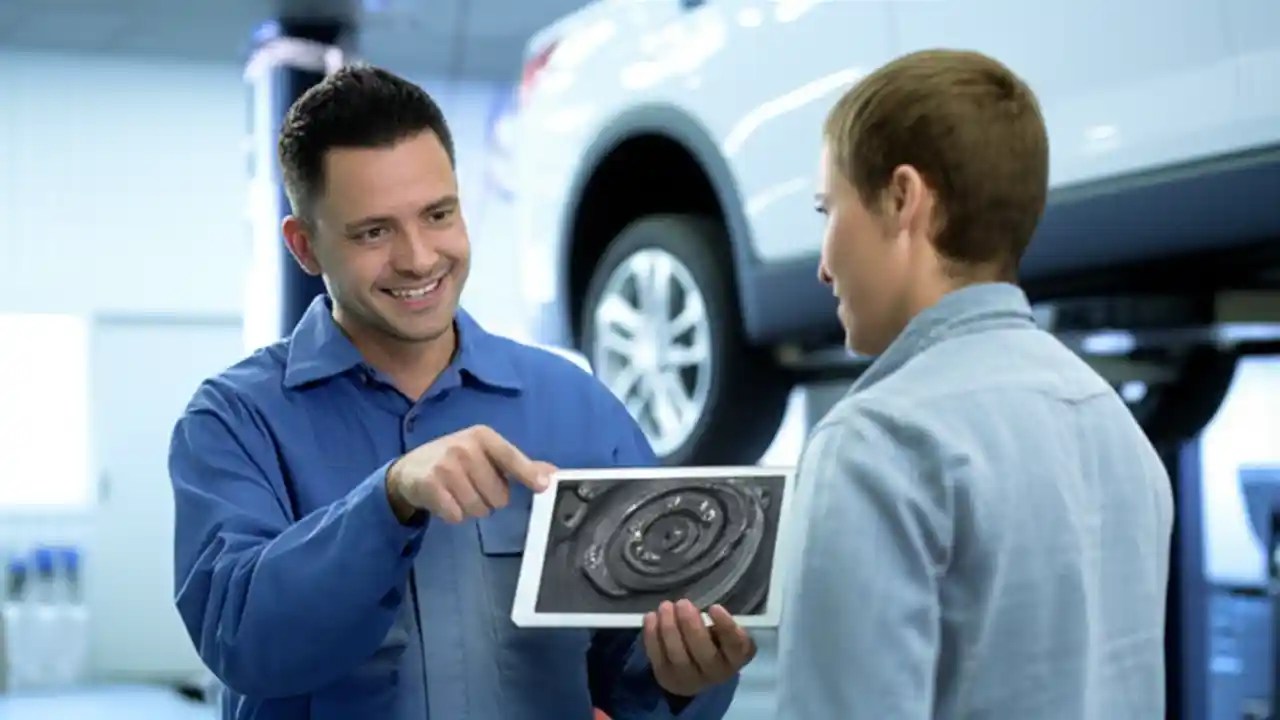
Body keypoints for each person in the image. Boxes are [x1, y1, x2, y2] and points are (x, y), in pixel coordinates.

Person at [168, 64, 753, 719]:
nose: (419, 257)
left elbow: (633, 673)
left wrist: (682, 679)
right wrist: (388, 498)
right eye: (373, 232)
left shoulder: (578, 408)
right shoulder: (234, 422)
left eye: (438, 214)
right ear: (304, 246)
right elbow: (243, 641)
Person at [773, 49, 1174, 719]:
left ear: (903, 198)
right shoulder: (1116, 429)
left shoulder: (877, 444)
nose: (823, 265)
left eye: (827, 211)